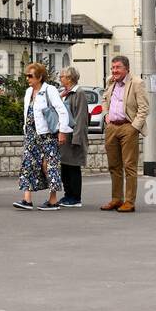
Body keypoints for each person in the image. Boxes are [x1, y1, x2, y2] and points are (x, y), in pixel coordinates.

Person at [14, 62, 70, 212]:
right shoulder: (28, 92)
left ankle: (53, 201)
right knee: (28, 164)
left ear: (39, 77)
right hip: (31, 134)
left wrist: (62, 131)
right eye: (26, 76)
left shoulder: (49, 90)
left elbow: (62, 110)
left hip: (48, 134)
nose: (28, 79)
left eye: (30, 76)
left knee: (50, 166)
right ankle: (27, 199)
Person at [101, 55, 149, 213]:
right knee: (114, 166)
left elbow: (144, 108)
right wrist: (106, 116)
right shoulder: (110, 81)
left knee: (129, 166)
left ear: (126, 69)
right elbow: (104, 99)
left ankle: (129, 201)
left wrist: (134, 127)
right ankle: (116, 199)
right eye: (113, 68)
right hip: (112, 127)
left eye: (118, 68)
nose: (114, 71)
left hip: (128, 126)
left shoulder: (137, 83)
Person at [58, 66, 89, 207]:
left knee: (73, 167)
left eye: (62, 77)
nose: (60, 79)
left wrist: (77, 138)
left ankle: (75, 197)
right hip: (65, 136)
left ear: (70, 78)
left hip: (74, 137)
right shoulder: (65, 93)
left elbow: (81, 117)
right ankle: (67, 195)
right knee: (65, 167)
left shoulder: (79, 93)